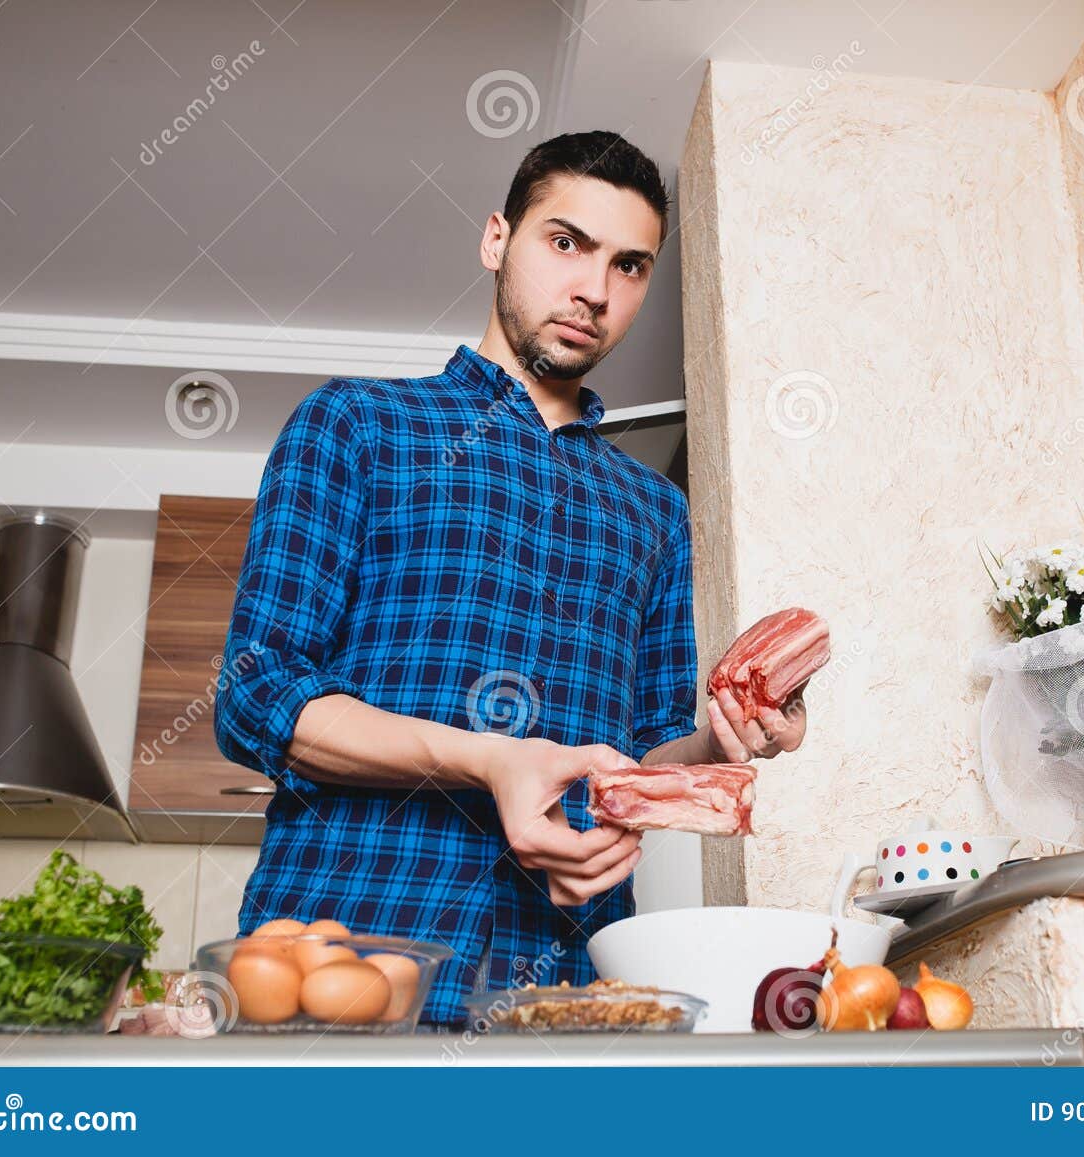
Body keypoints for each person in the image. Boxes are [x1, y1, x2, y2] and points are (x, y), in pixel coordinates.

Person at [214, 130, 807, 1029]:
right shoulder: (357, 425)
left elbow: (640, 756)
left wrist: (717, 747)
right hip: (345, 954)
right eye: (565, 243)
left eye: (631, 266)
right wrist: (489, 759)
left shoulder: (653, 511)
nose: (595, 291)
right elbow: (257, 696)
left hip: (566, 990)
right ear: (498, 240)